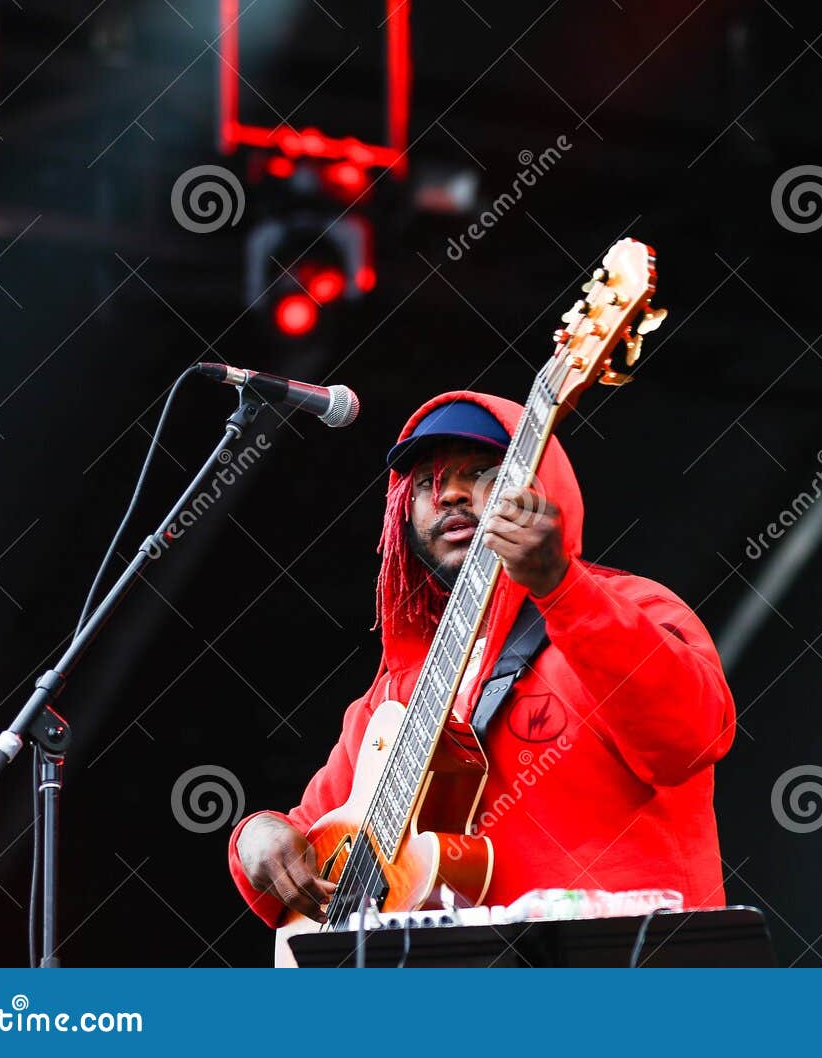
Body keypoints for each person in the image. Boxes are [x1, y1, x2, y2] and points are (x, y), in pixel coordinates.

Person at [228, 390, 736, 927]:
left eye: (479, 472)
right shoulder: (399, 691)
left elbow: (690, 741)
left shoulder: (633, 606)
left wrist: (562, 588)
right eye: (426, 483)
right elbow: (310, 835)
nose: (449, 494)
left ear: (534, 489)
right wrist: (256, 838)